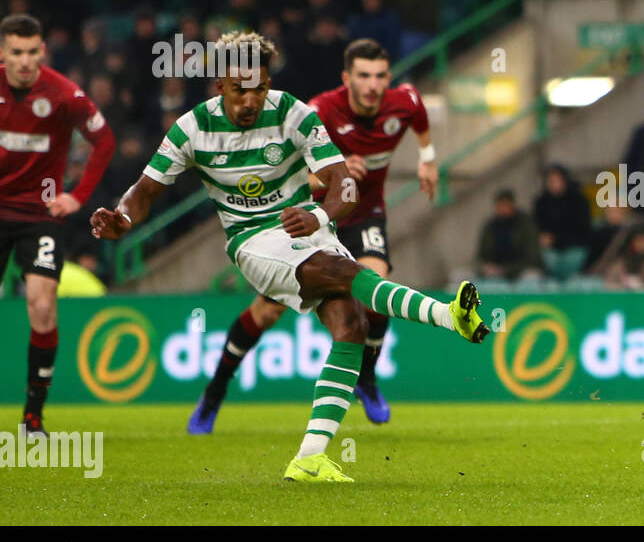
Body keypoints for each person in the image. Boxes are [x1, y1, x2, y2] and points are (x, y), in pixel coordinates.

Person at [91, 31, 487, 483]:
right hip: (252, 241)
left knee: (352, 324)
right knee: (339, 274)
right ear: (220, 85)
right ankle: (448, 315)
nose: (251, 100)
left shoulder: (293, 112)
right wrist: (122, 217)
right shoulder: (191, 128)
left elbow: (345, 185)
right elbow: (144, 192)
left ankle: (310, 458)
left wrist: (318, 214)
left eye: (259, 88)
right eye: (239, 89)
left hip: (309, 228)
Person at [190, 38, 438, 434]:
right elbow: (285, 173)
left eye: (378, 77)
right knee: (265, 313)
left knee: (377, 289)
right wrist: (328, 174)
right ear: (347, 79)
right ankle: (215, 392)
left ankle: (367, 381)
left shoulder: (404, 102)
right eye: (363, 76)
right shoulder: (319, 110)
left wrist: (428, 160)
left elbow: (420, 116)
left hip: (365, 216)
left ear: (388, 78)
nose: (372, 85)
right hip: (313, 221)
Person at [0, 14, 116, 435]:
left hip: (39, 215)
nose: (25, 61)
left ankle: (33, 416)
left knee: (43, 307)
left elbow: (104, 141)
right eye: (16, 52)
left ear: (43, 51)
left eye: (32, 52)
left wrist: (77, 196)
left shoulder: (65, 94)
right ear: (2, 53)